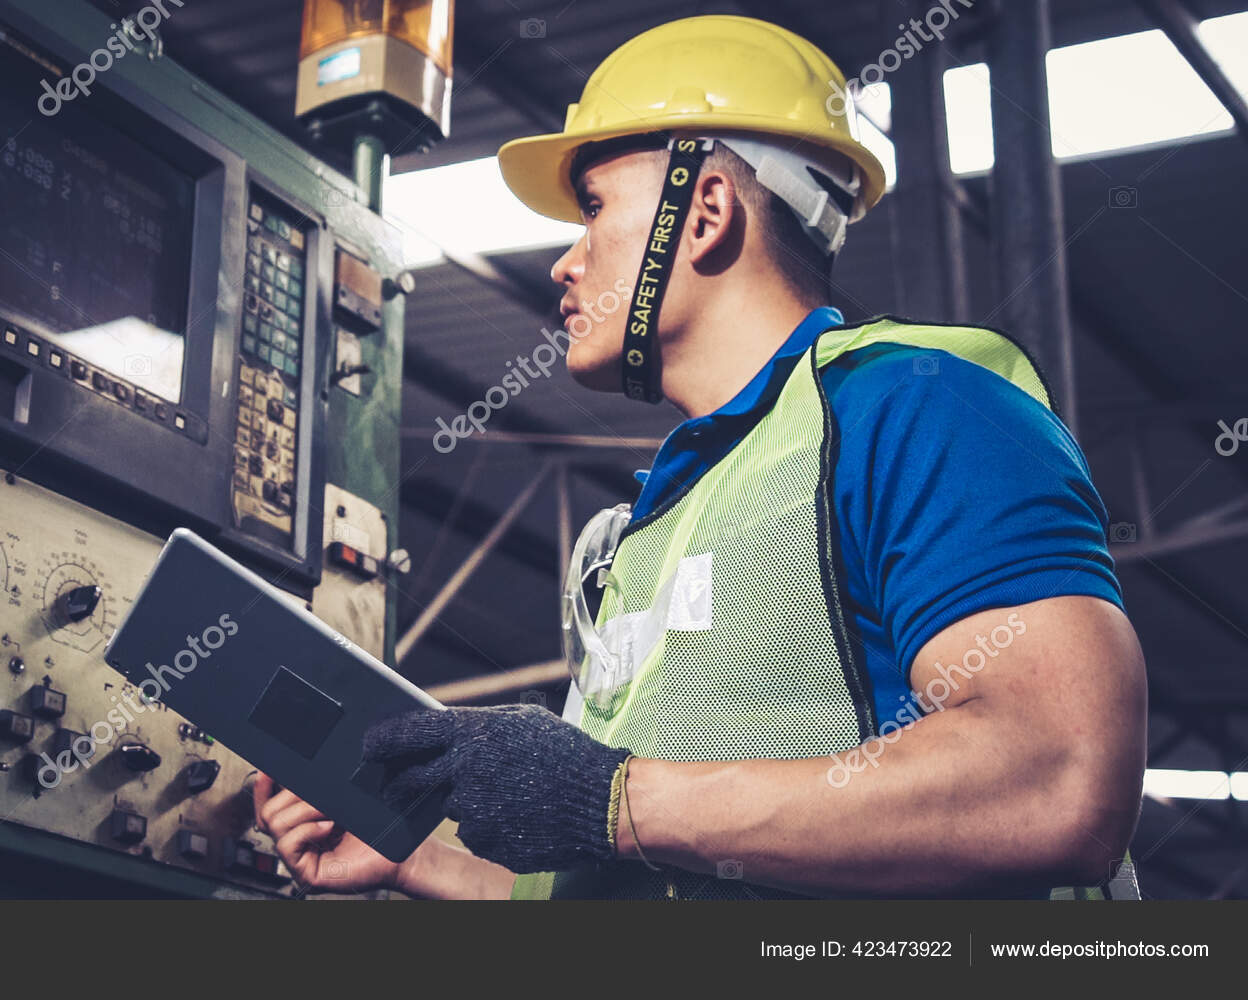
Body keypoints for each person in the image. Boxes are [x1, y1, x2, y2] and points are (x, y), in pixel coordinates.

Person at [255, 14, 1146, 899]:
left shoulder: (914, 406)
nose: (565, 264)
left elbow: (1058, 773)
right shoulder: (648, 534)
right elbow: (627, 888)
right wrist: (420, 858)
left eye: (594, 208)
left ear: (706, 210)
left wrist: (615, 798)